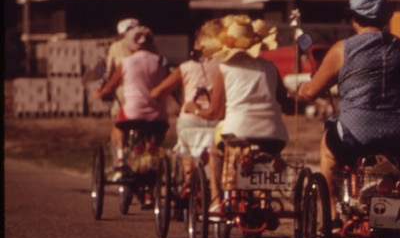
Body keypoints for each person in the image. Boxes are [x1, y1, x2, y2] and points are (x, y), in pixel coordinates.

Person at [297, 0, 400, 216]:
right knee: (398, 158)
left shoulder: (342, 50)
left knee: (328, 149)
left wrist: (301, 91)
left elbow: (311, 92)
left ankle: (331, 213)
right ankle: (398, 202)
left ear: (354, 18)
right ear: (386, 18)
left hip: (357, 134)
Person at [194, 15, 289, 213]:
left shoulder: (224, 68)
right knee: (268, 156)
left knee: (215, 149)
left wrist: (194, 109)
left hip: (238, 132)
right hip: (274, 134)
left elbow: (215, 112)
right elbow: (283, 100)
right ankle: (263, 197)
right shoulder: (270, 67)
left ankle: (215, 199)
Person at [150, 20, 221, 184]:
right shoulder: (223, 67)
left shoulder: (185, 67)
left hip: (190, 120)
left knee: (188, 160)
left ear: (196, 46)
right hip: (215, 120)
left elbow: (157, 92)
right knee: (214, 162)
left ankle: (188, 182)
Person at [94, 25, 170, 177]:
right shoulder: (161, 61)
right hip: (157, 116)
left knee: (117, 125)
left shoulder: (126, 62)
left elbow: (110, 87)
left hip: (133, 114)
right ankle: (153, 151)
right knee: (159, 130)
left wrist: (99, 93)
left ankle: (120, 158)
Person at [101, 18, 141, 166]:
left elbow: (109, 71)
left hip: (123, 91)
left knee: (117, 122)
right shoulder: (146, 46)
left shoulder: (116, 47)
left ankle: (119, 157)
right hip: (144, 91)